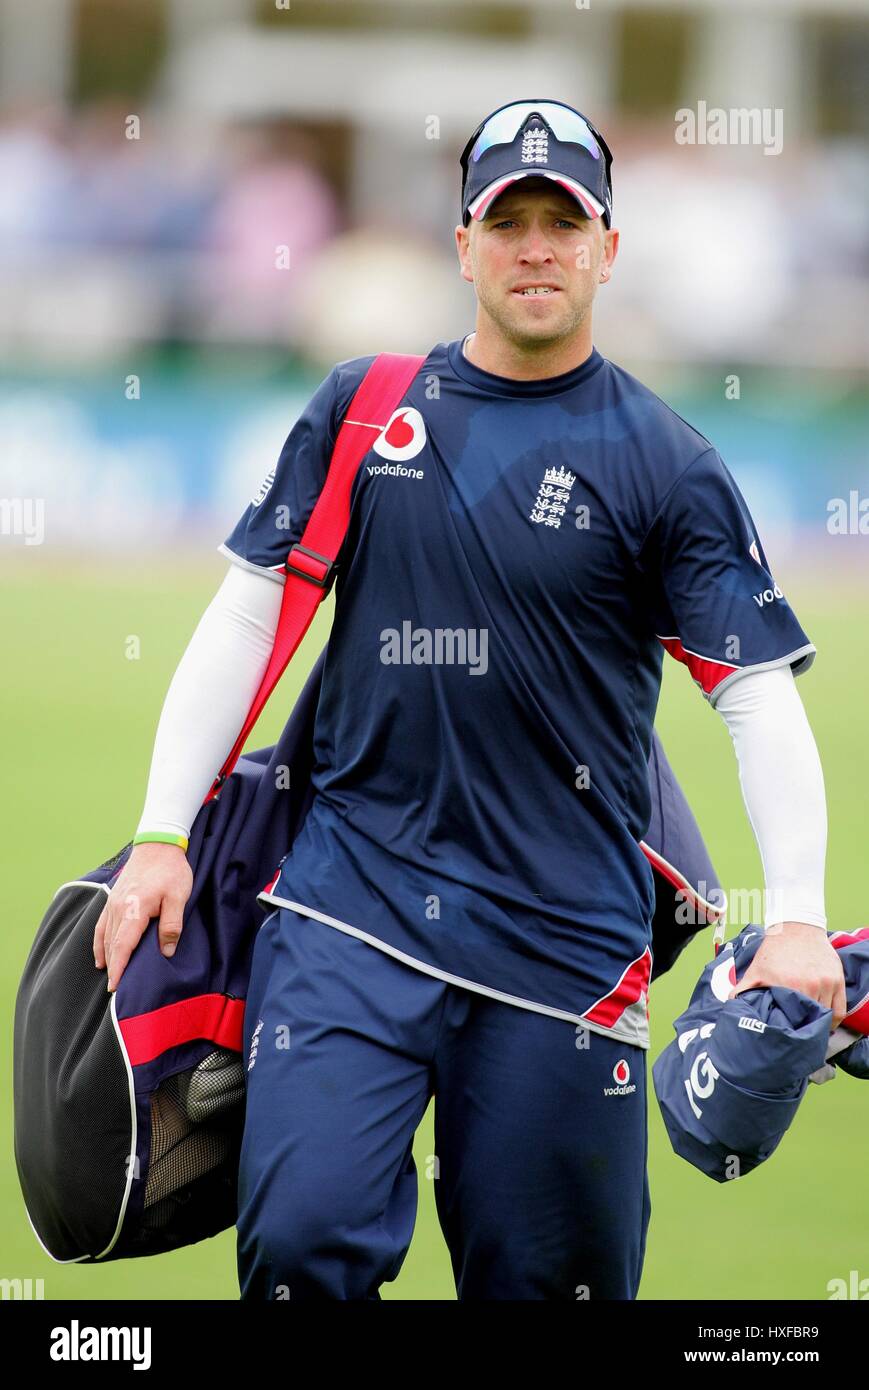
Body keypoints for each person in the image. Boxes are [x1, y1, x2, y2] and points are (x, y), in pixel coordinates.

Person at [93, 98, 846, 1301]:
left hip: (564, 947)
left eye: (563, 223)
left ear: (607, 249)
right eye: (506, 223)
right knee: (297, 1249)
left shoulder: (666, 462)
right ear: (462, 246)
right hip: (346, 910)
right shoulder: (363, 407)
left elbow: (753, 698)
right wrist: (160, 834)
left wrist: (796, 915)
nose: (534, 249)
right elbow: (245, 617)